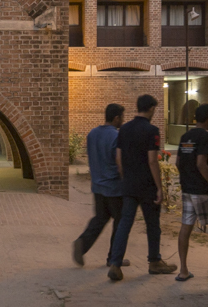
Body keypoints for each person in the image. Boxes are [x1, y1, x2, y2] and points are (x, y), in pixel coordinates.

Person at [106, 94, 177, 280]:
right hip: (147, 186)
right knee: (152, 225)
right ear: (152, 108)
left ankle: (115, 263)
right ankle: (154, 262)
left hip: (129, 185)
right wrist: (159, 187)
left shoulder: (124, 129)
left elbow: (119, 158)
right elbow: (152, 161)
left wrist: (125, 178)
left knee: (124, 224)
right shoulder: (152, 130)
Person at [72, 103, 127, 268]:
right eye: (122, 117)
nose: (123, 120)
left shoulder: (92, 133)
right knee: (120, 221)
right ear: (116, 118)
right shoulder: (117, 136)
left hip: (97, 185)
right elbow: (119, 161)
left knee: (100, 218)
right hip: (114, 187)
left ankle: (82, 243)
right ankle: (114, 258)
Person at [175, 104, 208, 282]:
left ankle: (183, 270)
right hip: (202, 189)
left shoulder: (185, 136)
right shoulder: (205, 136)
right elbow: (201, 163)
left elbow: (177, 162)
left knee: (185, 227)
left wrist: (186, 177)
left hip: (187, 188)